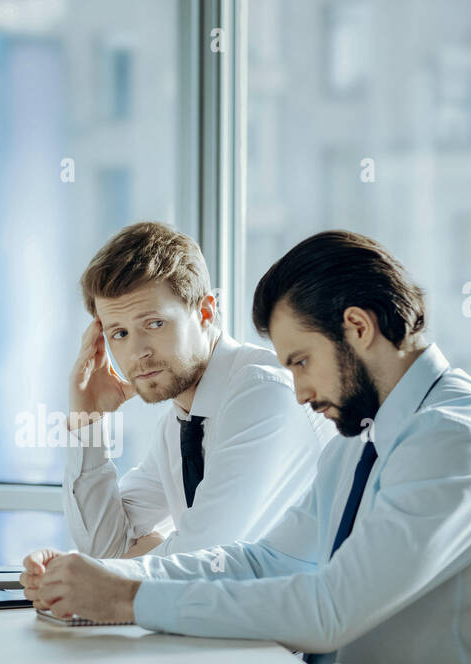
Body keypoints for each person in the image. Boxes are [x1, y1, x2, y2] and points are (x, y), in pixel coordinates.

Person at [22, 230, 471, 664]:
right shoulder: (366, 432)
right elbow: (264, 559)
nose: (298, 392)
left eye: (300, 361)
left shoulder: (454, 439)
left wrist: (124, 600)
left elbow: (331, 609)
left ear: (358, 329)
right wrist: (104, 579)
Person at [64, 222, 331, 559]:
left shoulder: (261, 392)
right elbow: (102, 549)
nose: (137, 352)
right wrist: (86, 419)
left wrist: (134, 560)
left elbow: (202, 559)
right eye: (119, 333)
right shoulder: (178, 425)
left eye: (154, 324)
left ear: (205, 312)